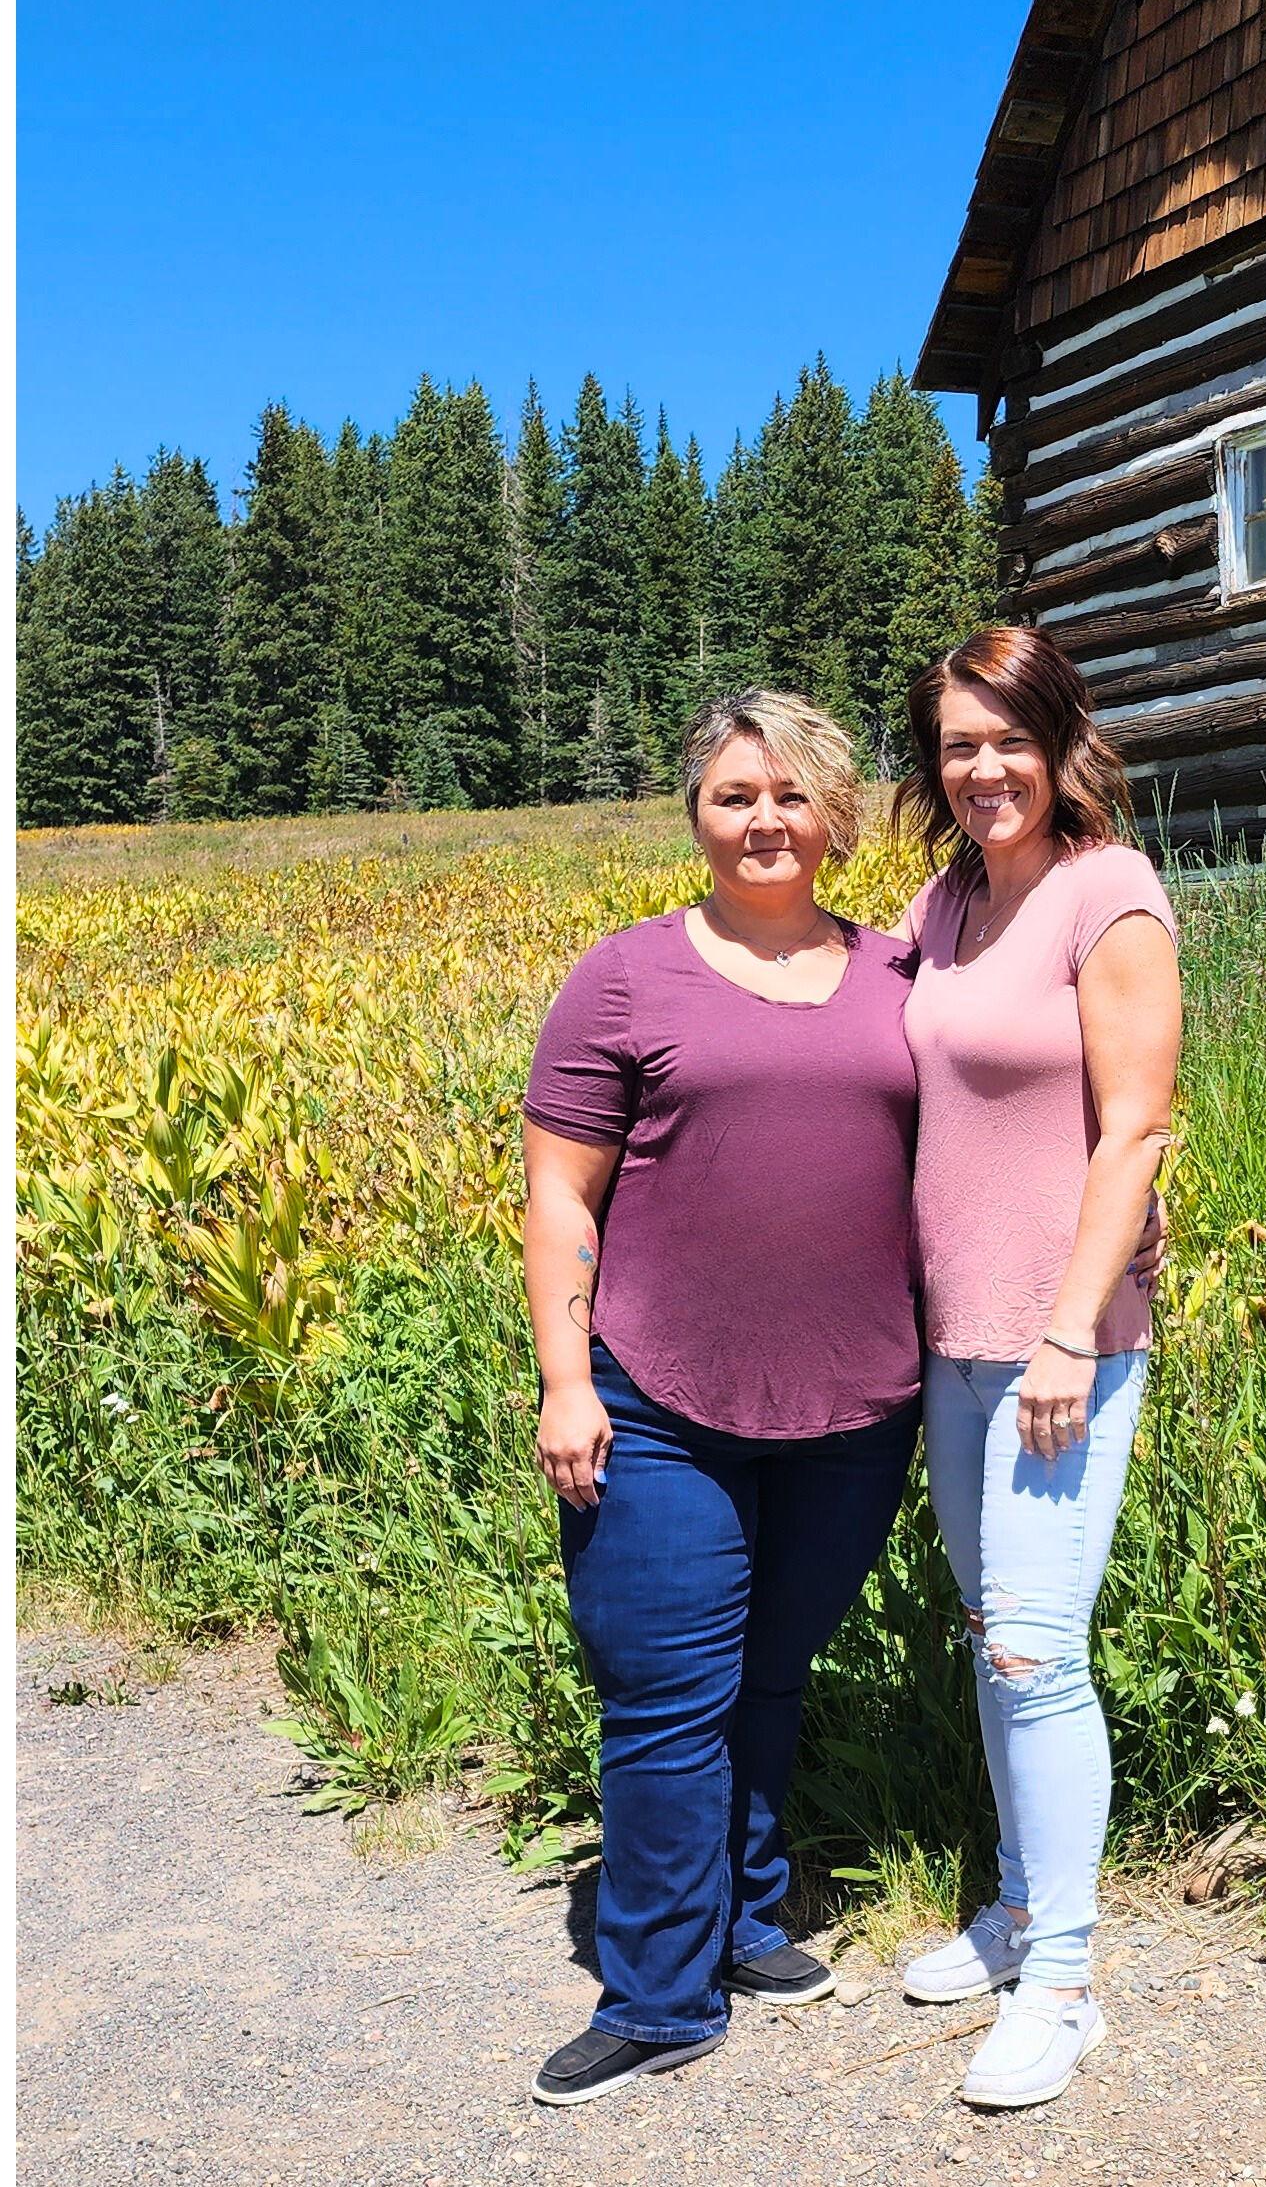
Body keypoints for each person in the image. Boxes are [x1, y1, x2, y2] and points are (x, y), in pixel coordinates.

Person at [516, 689, 926, 2106]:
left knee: (770, 1668)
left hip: (857, 1400)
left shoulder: (901, 973)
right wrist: (567, 1381)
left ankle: (745, 1918)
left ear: (836, 814)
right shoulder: (624, 976)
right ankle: (657, 1994)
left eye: (790, 794)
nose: (764, 820)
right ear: (695, 815)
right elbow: (559, 1193)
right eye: (733, 795)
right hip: (656, 1395)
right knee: (665, 1694)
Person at [889, 625, 1183, 2111]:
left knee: (1032, 1648)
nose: (984, 768)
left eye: (1010, 738)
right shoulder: (943, 903)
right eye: (959, 744)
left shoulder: (1106, 893)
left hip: (1064, 1345)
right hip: (950, 1338)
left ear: (1062, 744)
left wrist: (1071, 1327)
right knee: (987, 1629)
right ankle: (1014, 1905)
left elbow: (1136, 1128)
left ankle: (1061, 1982)